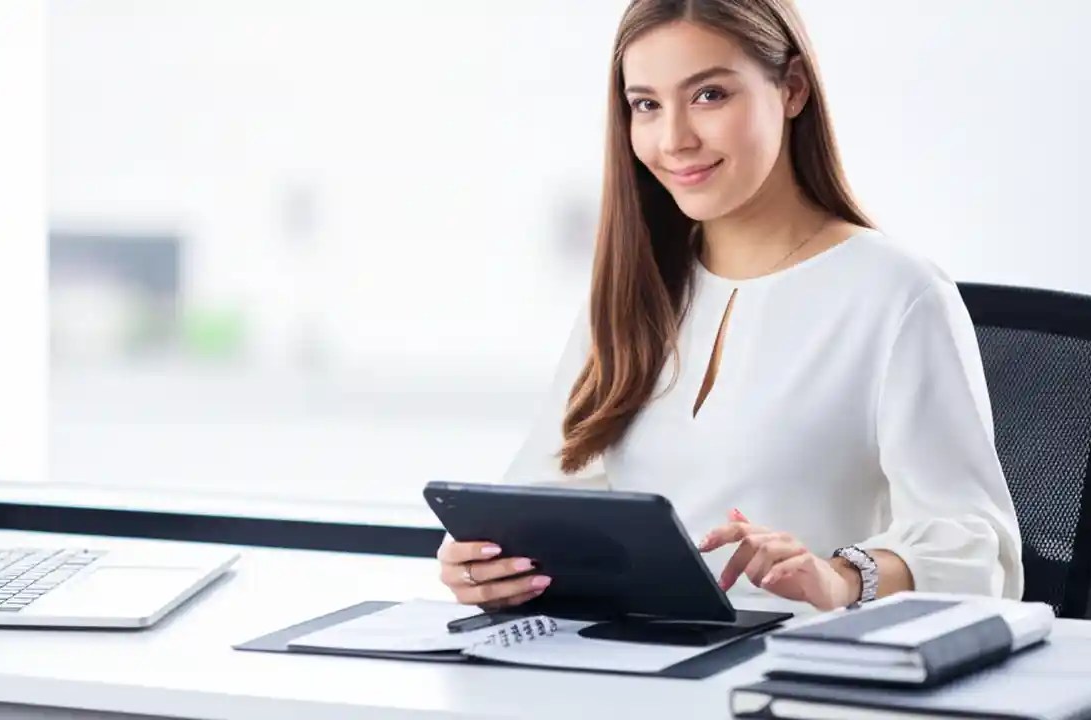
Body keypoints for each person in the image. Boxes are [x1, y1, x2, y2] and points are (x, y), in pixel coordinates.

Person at [437, 0, 1023, 613]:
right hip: (638, 670)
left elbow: (976, 546)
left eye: (710, 95)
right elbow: (546, 490)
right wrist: (487, 565)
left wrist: (842, 576)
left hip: (805, 671)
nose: (674, 140)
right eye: (646, 105)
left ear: (792, 88)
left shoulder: (897, 293)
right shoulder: (633, 288)